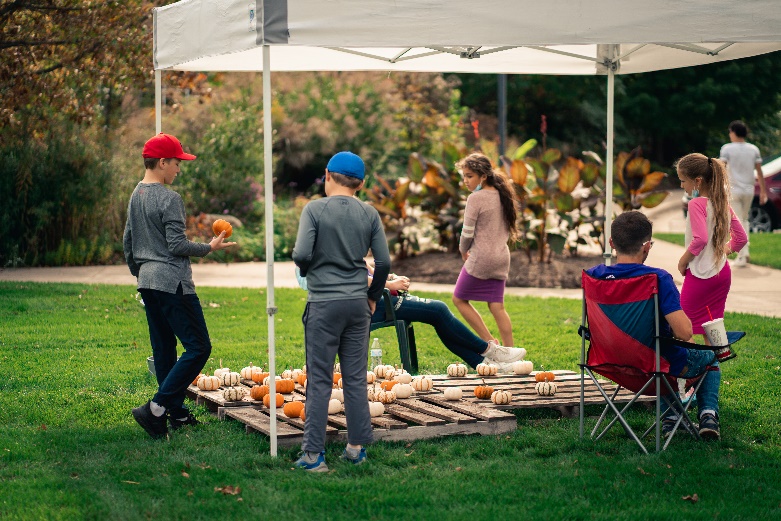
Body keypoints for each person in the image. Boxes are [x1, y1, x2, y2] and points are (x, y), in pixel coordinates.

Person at [124, 133, 236, 439]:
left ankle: (176, 414)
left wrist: (142, 276)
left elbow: (128, 242)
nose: (179, 168)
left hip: (148, 282)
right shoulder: (169, 198)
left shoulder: (136, 194)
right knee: (199, 346)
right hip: (172, 283)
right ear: (162, 162)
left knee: (164, 349)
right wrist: (209, 247)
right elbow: (176, 245)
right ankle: (156, 407)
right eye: (176, 162)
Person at [292, 151, 391, 472]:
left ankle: (313, 455)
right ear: (360, 184)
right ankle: (355, 449)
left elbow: (301, 254)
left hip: (324, 304)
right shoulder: (369, 213)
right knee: (355, 378)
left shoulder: (314, 209)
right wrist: (373, 296)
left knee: (320, 379)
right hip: (358, 305)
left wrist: (309, 269)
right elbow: (384, 262)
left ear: (327, 175)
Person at [587, 211, 723, 440]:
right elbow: (684, 332)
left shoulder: (594, 276)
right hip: (654, 369)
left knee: (662, 352)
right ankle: (707, 416)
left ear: (611, 243)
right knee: (709, 356)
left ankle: (671, 417)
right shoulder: (657, 278)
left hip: (610, 364)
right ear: (647, 246)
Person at [365, 262, 527, 371]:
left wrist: (390, 277)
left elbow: (369, 271)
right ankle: (489, 350)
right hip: (373, 306)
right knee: (438, 310)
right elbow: (356, 277)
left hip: (381, 299)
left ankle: (485, 364)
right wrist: (391, 285)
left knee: (438, 316)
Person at [676, 153, 747, 346]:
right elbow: (741, 238)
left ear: (697, 181)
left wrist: (683, 261)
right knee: (712, 327)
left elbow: (700, 239)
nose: (681, 185)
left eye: (683, 181)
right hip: (721, 273)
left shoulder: (695, 204)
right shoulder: (722, 204)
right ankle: (715, 364)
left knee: (681, 327)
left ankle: (695, 364)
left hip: (701, 275)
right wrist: (721, 252)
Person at [452, 153, 518, 347]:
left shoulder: (476, 198)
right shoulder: (503, 195)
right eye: (464, 176)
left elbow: (467, 233)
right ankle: (510, 351)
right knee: (497, 307)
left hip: (481, 258)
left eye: (469, 176)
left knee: (459, 299)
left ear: (483, 176)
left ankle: (490, 343)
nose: (465, 180)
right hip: (501, 258)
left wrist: (463, 250)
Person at [719, 120, 768, 267]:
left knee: (736, 223)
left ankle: (742, 255)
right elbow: (759, 172)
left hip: (733, 190)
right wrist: (763, 191)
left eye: (730, 132)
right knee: (744, 220)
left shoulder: (727, 149)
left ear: (733, 132)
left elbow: (721, 169)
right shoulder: (753, 149)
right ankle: (744, 253)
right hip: (749, 190)